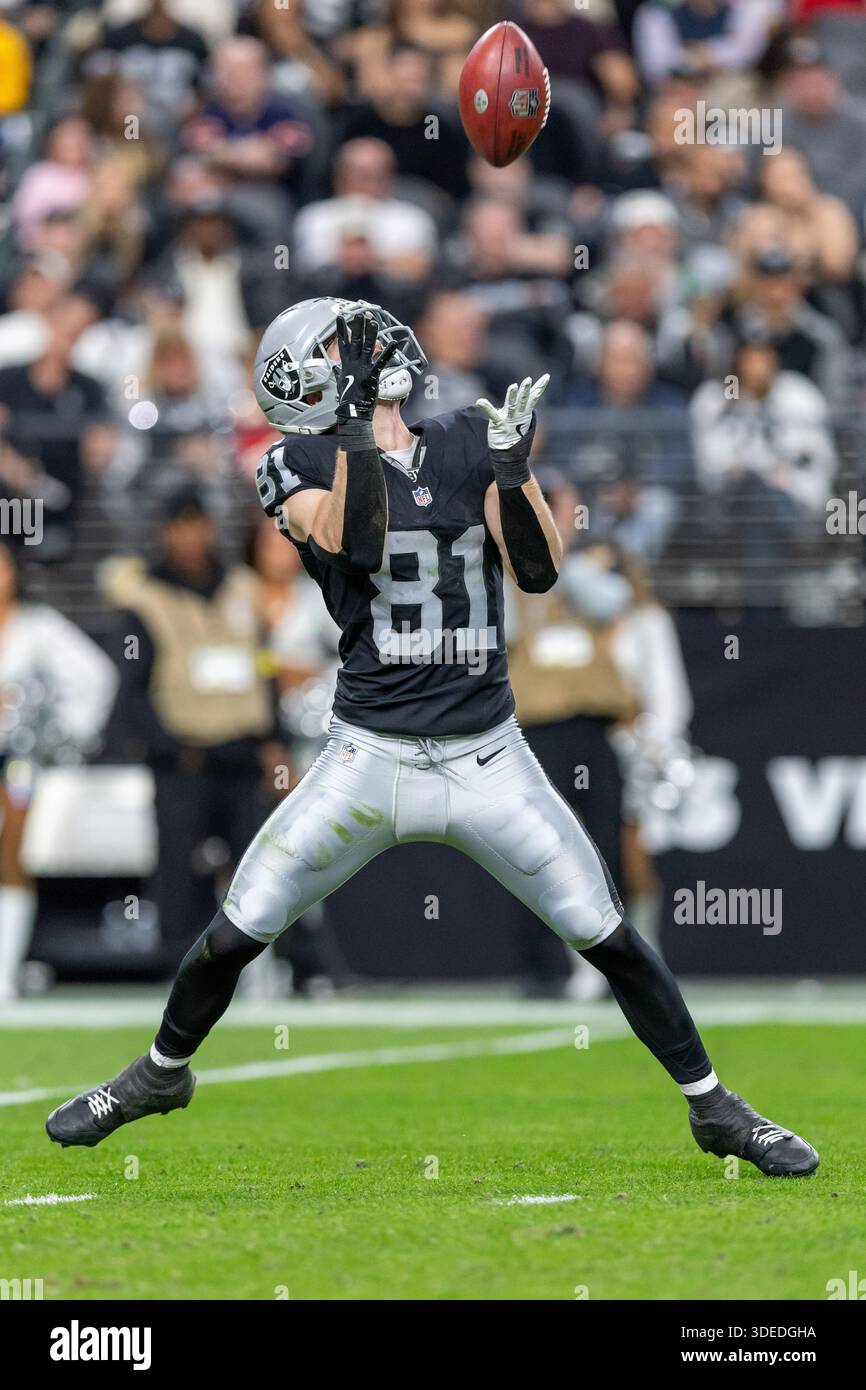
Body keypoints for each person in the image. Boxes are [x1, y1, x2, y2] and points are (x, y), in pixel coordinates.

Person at [46, 297, 818, 1180]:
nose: (375, 344)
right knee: (236, 930)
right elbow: (359, 542)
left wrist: (512, 467)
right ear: (315, 378)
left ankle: (715, 1107)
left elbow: (538, 571)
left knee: (606, 934)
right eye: (347, 344)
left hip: (486, 751)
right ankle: (159, 1074)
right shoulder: (293, 461)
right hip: (366, 754)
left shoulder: (460, 439)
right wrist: (365, 437)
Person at [101, 485, 277, 972]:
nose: (192, 535)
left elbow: (265, 667)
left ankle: (285, 971)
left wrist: (273, 738)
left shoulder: (241, 587)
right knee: (179, 872)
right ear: (165, 531)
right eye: (181, 524)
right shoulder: (145, 598)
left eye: (199, 522)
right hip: (186, 760)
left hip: (242, 753)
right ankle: (177, 974)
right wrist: (170, 748)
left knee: (262, 865)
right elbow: (132, 687)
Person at [0, 542, 117, 1001]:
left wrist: (63, 736)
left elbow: (96, 675)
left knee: (12, 850)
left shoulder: (38, 628)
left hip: (20, 762)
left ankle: (5, 971)